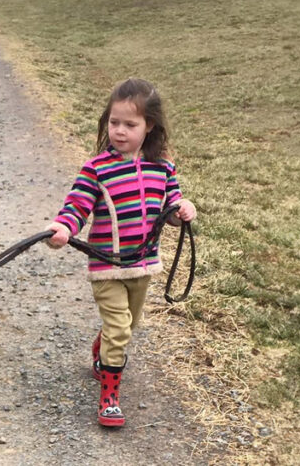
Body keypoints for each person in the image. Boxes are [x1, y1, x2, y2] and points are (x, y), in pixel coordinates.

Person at [45, 78, 196, 427]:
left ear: (149, 127)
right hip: (106, 266)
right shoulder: (97, 168)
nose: (120, 131)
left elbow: (171, 206)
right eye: (114, 122)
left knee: (128, 324)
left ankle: (103, 350)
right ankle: (109, 397)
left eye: (130, 124)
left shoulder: (163, 168)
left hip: (143, 265)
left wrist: (182, 210)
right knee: (120, 327)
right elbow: (77, 204)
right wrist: (65, 227)